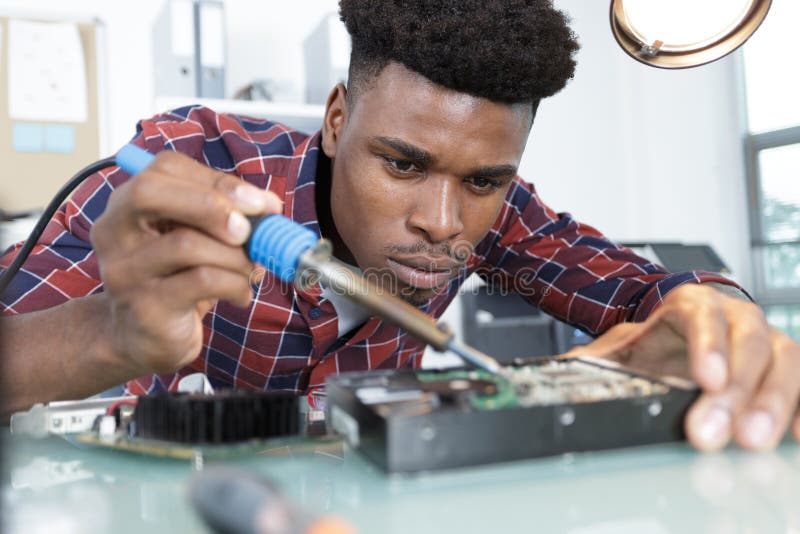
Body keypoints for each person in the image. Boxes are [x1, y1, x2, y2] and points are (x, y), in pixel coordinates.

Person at [1, 0, 798, 453]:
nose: (443, 225)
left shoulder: (497, 221)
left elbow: (647, 291)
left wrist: (723, 316)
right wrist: (105, 335)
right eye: (404, 165)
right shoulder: (195, 161)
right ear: (338, 119)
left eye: (483, 180)